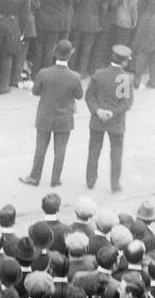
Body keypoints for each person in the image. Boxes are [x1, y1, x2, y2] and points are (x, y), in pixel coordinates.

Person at [19, 40, 84, 188]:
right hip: (64, 119)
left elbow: (35, 92)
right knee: (60, 151)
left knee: (40, 149)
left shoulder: (44, 73)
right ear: (70, 56)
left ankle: (34, 178)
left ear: (55, 53)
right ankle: (55, 180)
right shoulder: (75, 77)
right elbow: (79, 96)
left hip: (45, 116)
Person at [84, 45, 134, 193]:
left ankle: (90, 180)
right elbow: (127, 103)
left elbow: (89, 96)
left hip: (97, 120)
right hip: (116, 121)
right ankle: (115, 184)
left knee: (94, 149)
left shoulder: (98, 74)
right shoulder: (125, 79)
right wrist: (112, 113)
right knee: (116, 151)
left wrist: (98, 110)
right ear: (124, 62)